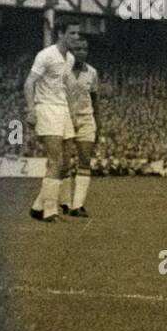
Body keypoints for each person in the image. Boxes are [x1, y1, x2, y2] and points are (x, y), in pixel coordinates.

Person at [24, 18, 80, 223]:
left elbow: (65, 88)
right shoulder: (46, 55)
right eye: (72, 33)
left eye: (77, 34)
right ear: (60, 34)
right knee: (55, 160)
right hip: (46, 109)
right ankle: (49, 210)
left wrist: (72, 113)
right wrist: (31, 110)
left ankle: (38, 206)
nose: (76, 37)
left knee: (66, 163)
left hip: (62, 110)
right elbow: (29, 83)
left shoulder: (70, 59)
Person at [60, 33, 100, 217]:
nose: (82, 52)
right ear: (70, 50)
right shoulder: (62, 70)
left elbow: (94, 99)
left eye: (85, 49)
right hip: (65, 119)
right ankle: (65, 203)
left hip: (86, 120)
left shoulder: (92, 72)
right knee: (64, 162)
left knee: (85, 161)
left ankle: (78, 205)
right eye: (77, 49)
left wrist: (97, 122)